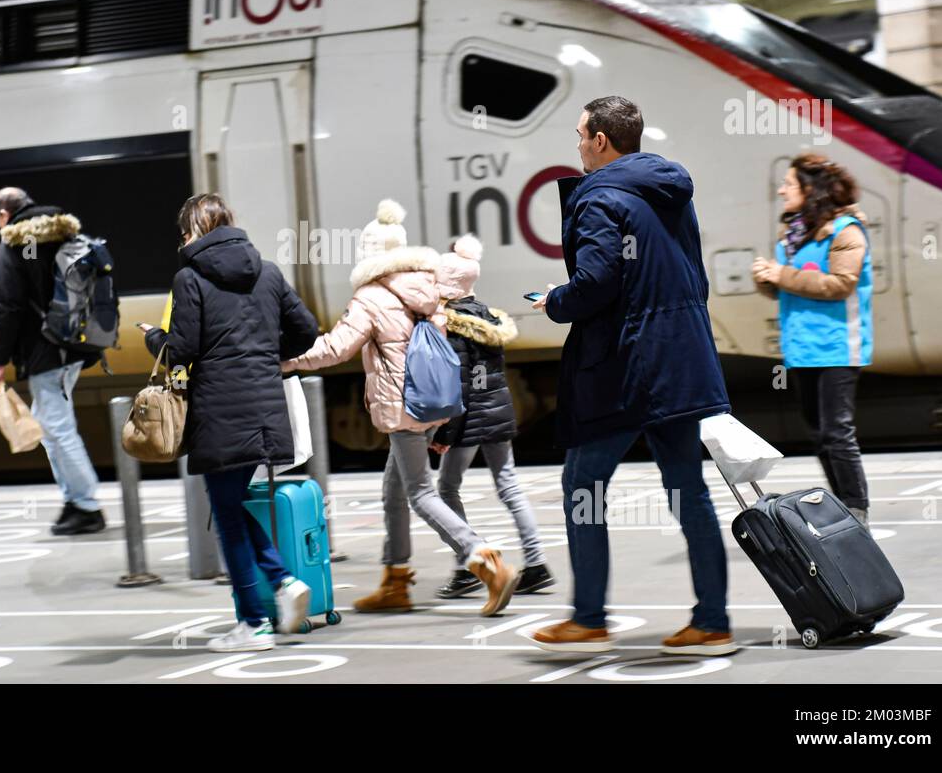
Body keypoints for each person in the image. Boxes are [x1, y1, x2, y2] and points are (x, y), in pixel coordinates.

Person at [528, 96, 735, 656]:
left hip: (625, 367)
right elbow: (689, 274)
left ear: (600, 139)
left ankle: (589, 617)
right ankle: (712, 620)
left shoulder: (600, 199)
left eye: (579, 135)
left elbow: (597, 283)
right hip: (681, 357)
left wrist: (554, 301)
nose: (575, 145)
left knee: (582, 486)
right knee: (687, 490)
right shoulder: (670, 192)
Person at [283, 200, 518, 617]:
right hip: (433, 401)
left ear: (370, 254)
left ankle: (483, 559)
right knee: (393, 490)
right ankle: (395, 581)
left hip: (402, 406)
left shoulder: (371, 297)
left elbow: (336, 348)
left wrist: (287, 361)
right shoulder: (428, 285)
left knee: (420, 492)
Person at [140, 193, 320, 652]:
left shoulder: (190, 277)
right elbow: (306, 330)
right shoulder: (268, 271)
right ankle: (283, 583)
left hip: (219, 409)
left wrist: (155, 338)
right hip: (263, 407)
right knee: (234, 506)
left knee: (227, 516)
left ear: (193, 231)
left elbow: (182, 349)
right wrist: (264, 354)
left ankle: (256, 623)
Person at [429, 234, 554, 598]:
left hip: (467, 421)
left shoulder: (448, 326)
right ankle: (536, 563)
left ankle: (467, 565)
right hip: (497, 413)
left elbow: (457, 387)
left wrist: (444, 435)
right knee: (509, 485)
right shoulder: (489, 318)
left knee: (447, 489)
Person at [752, 154, 873, 528]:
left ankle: (857, 510)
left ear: (811, 190)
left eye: (789, 184)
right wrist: (766, 279)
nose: (781, 189)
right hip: (802, 347)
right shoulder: (792, 233)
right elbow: (787, 291)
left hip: (838, 346)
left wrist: (782, 274)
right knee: (820, 436)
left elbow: (839, 285)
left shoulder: (846, 231)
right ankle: (844, 508)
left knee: (838, 433)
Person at [0, 187, 105, 536]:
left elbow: (5, 306)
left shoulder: (13, 242)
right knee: (50, 424)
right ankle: (74, 500)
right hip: (76, 345)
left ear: (4, 215)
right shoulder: (69, 233)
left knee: (58, 426)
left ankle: (87, 506)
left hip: (46, 350)